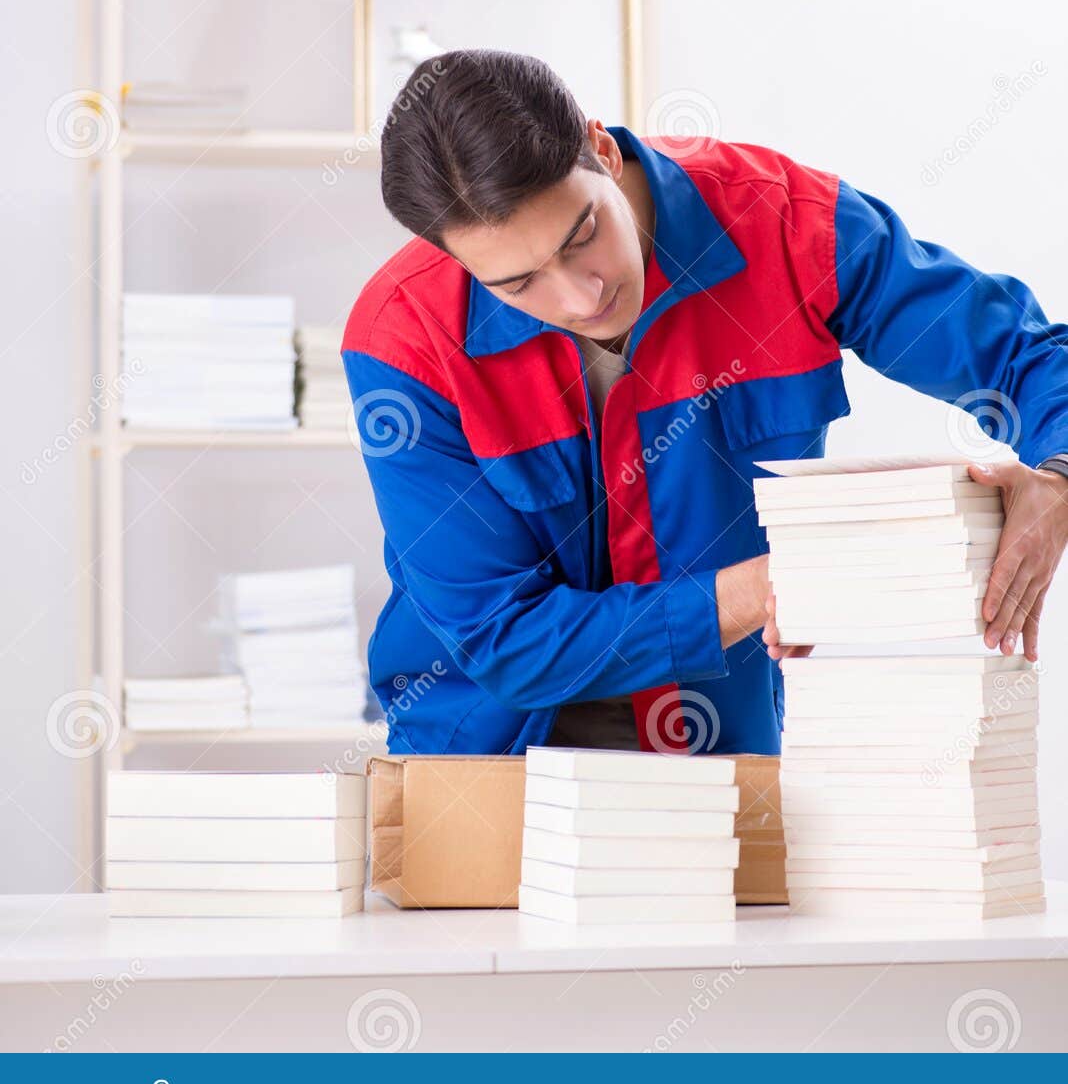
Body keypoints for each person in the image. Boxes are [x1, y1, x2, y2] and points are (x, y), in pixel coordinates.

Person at [341, 49, 1068, 755]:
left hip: (724, 747)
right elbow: (504, 642)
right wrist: (769, 586)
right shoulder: (401, 344)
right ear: (453, 257)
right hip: (478, 768)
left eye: (582, 235)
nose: (580, 295)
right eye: (519, 283)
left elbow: (1026, 356)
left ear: (602, 149)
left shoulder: (784, 223)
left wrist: (1059, 478)